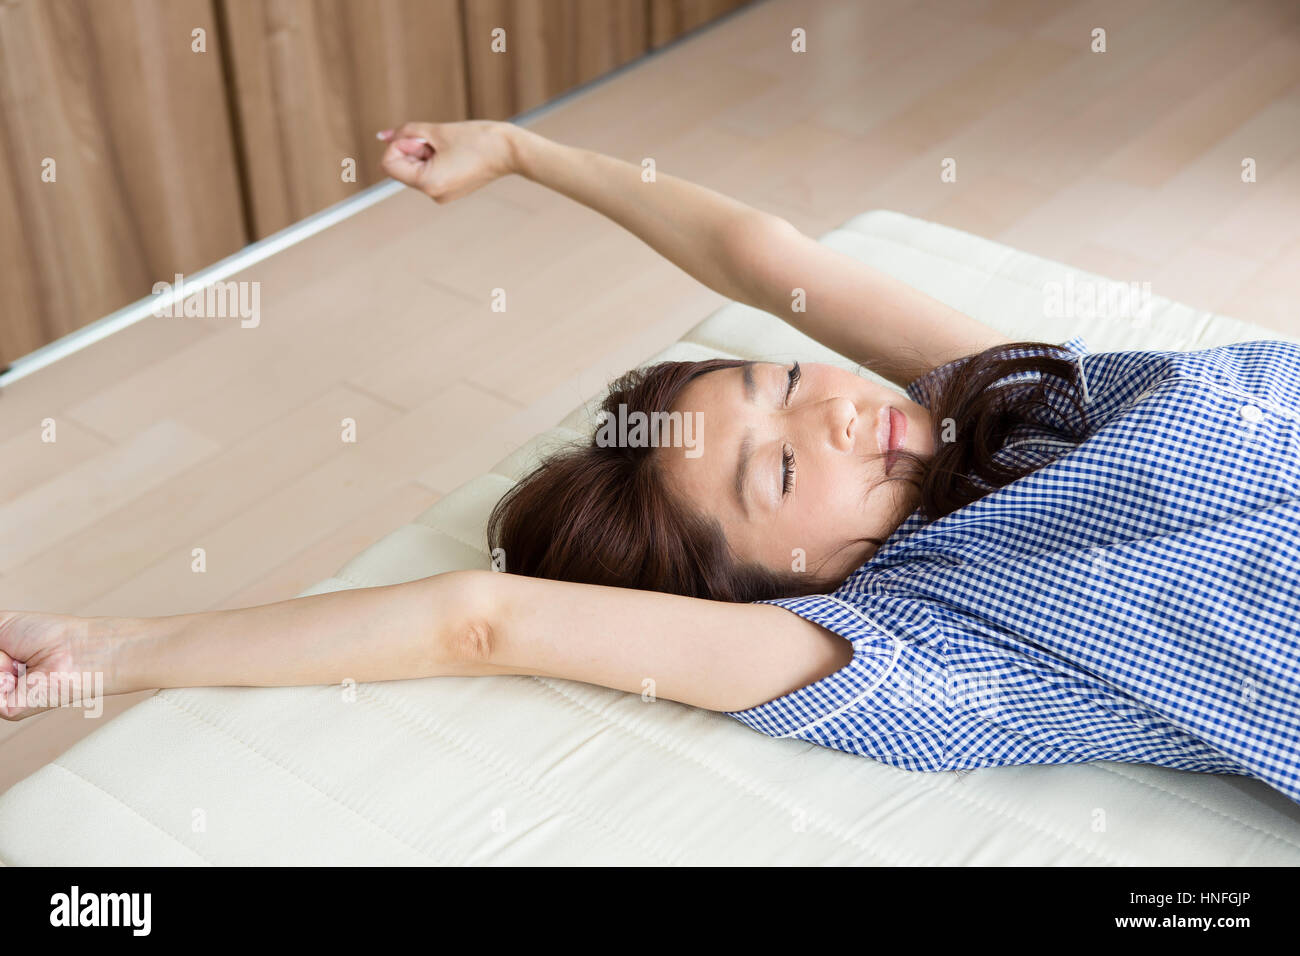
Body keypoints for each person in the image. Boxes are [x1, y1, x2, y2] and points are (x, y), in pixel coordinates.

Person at [3, 120, 1298, 806]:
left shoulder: (1000, 399)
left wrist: (520, 150)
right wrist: (109, 651)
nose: (838, 420)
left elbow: (757, 251)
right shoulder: (929, 641)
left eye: (788, 385)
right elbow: (483, 622)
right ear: (778, 586)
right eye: (779, 477)